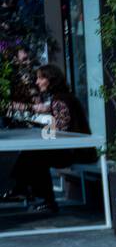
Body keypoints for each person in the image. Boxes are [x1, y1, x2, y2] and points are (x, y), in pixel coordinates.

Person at [8, 65, 94, 214]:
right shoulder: (63, 97)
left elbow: (61, 131)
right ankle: (24, 190)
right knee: (32, 154)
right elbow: (41, 109)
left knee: (35, 155)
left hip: (76, 151)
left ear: (50, 80)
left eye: (40, 78)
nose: (37, 82)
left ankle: (35, 195)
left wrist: (44, 131)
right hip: (77, 149)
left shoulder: (59, 100)